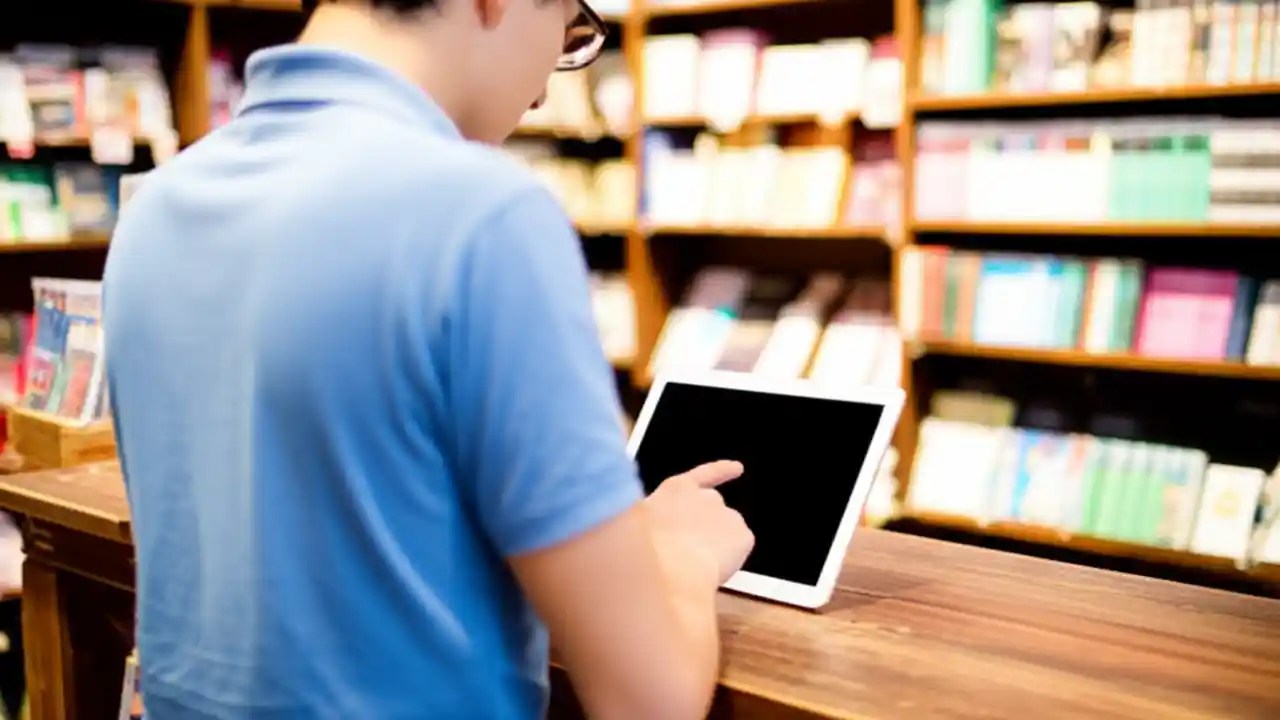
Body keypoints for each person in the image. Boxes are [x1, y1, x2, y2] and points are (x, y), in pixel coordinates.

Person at [102, 0, 755, 718]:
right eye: (567, 31)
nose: (544, 87)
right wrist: (684, 557)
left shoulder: (157, 208)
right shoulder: (480, 215)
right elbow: (648, 701)